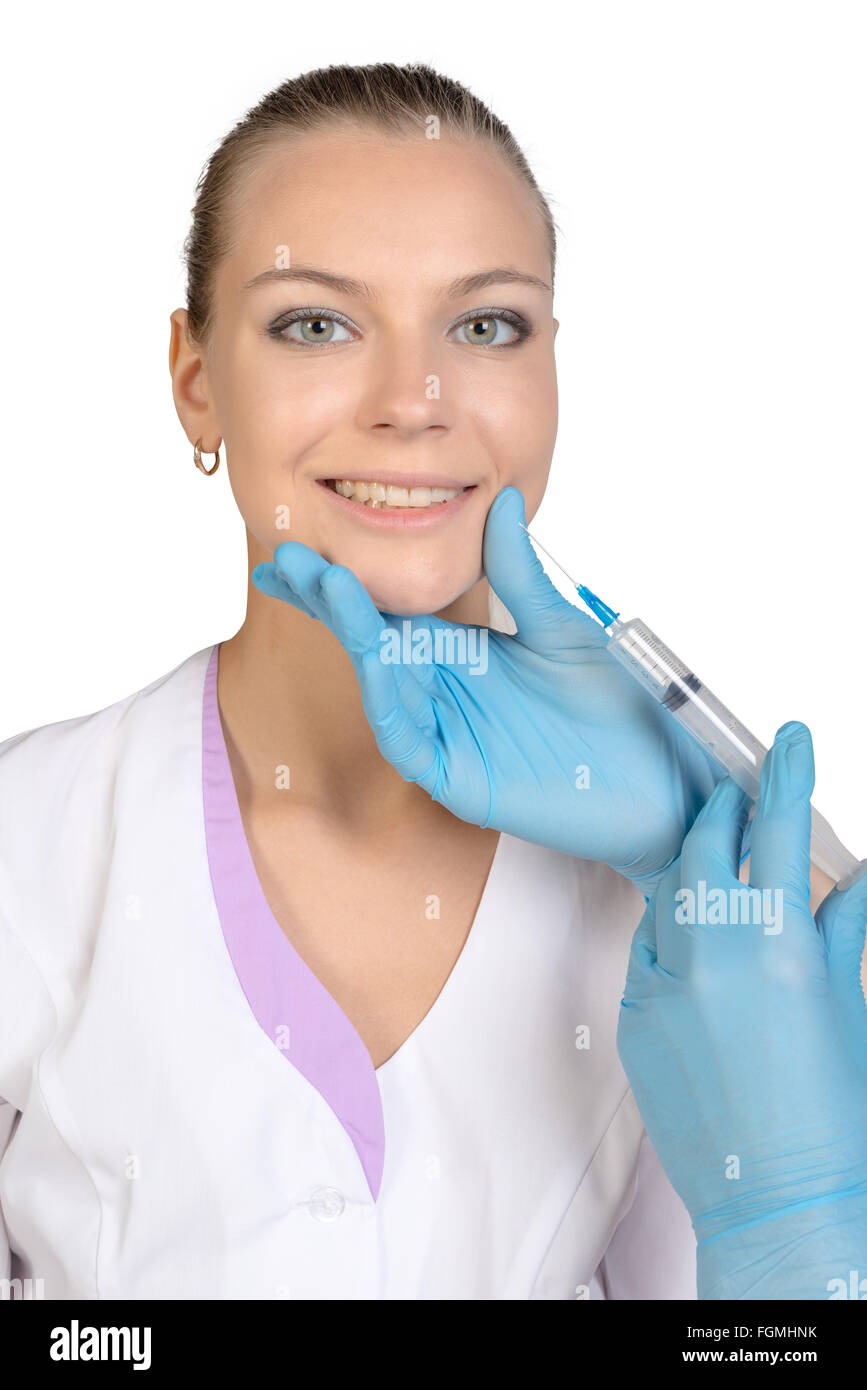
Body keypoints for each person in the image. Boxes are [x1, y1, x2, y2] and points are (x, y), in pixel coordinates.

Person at [0, 62, 846, 1301]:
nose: (415, 401)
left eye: (486, 324)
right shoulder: (35, 842)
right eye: (316, 322)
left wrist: (733, 830)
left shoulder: (687, 899)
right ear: (195, 380)